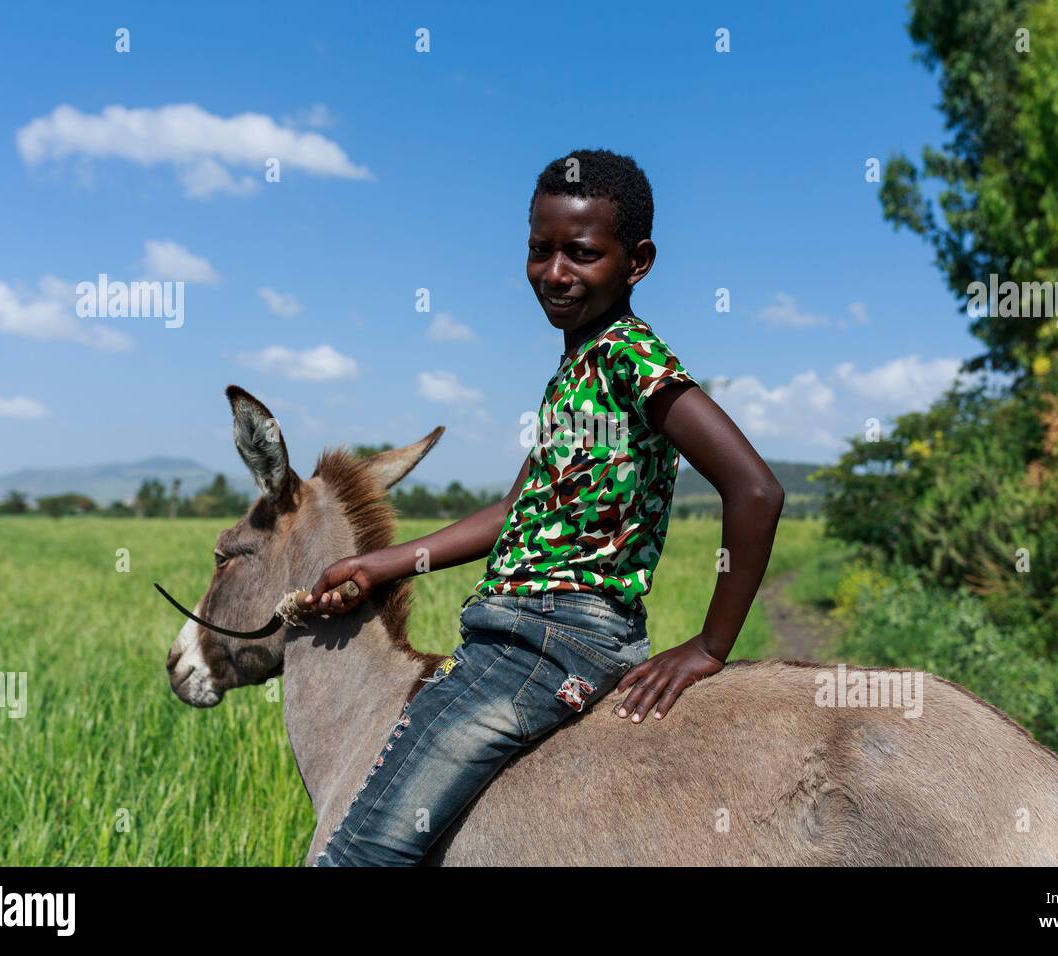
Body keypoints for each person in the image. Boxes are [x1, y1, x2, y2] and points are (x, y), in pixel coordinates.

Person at [306, 148, 784, 866]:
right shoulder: (576, 369)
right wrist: (382, 564)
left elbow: (755, 489)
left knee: (360, 853)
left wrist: (711, 646)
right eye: (540, 250)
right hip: (517, 633)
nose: (555, 273)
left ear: (638, 261)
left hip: (552, 642)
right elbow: (516, 510)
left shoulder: (632, 359)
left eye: (582, 253)